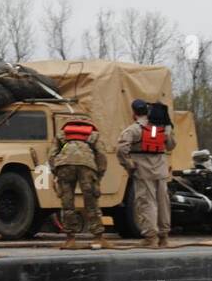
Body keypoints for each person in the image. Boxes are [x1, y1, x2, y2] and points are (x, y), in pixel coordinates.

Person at [116, 99, 176, 248]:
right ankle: (164, 237)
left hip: (143, 170)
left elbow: (121, 149)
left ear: (134, 113)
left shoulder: (134, 129)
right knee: (163, 202)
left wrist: (129, 165)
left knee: (146, 202)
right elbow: (171, 146)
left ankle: (150, 237)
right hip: (161, 170)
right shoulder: (162, 128)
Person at [51, 117, 108, 242]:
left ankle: (70, 238)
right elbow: (101, 154)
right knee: (91, 201)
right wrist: (99, 174)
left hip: (64, 166)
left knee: (67, 202)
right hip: (87, 166)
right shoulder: (93, 134)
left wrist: (55, 171)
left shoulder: (61, 134)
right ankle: (98, 237)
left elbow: (52, 154)